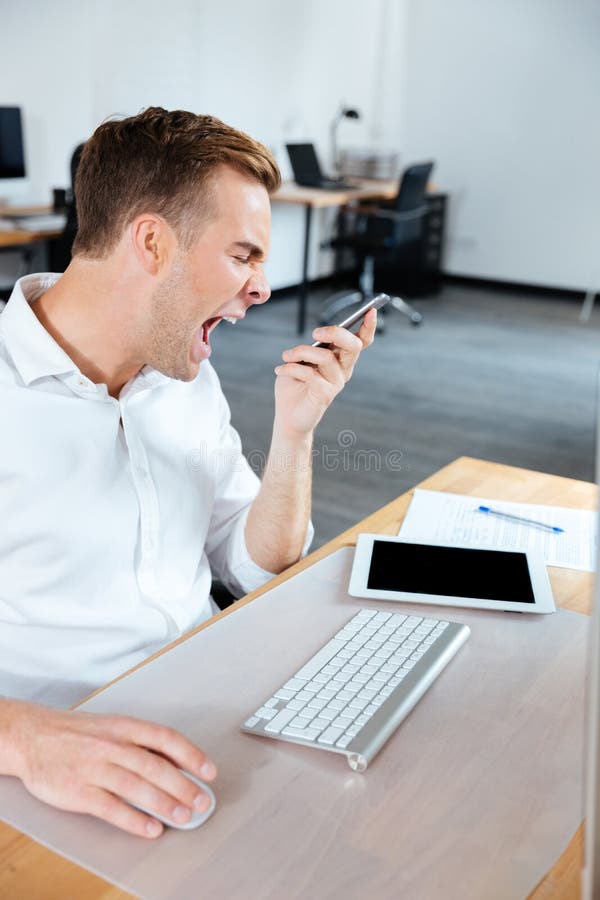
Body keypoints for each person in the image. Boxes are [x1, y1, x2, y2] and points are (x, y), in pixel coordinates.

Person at [0, 107, 376, 838]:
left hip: (218, 708)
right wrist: (22, 738)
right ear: (151, 242)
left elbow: (249, 561)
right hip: (62, 764)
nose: (262, 288)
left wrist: (294, 436)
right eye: (244, 255)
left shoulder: (180, 373)